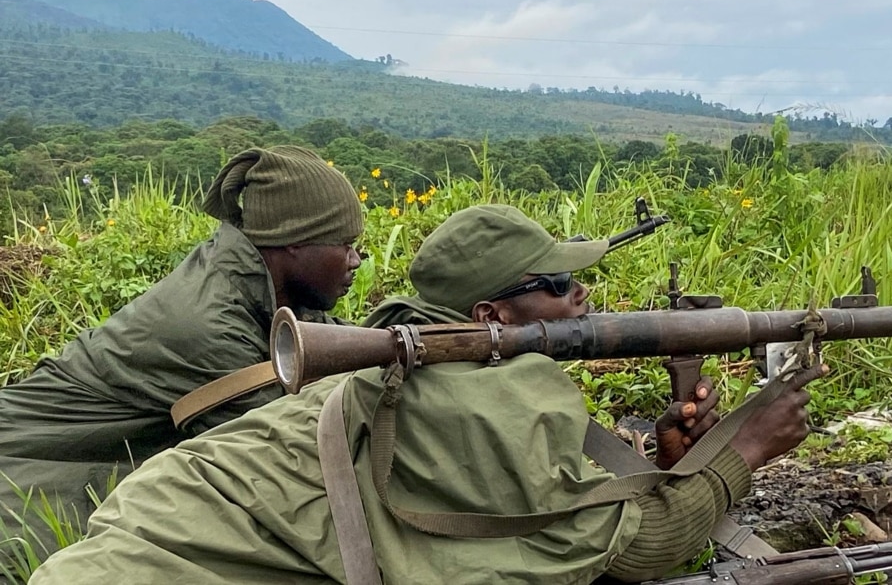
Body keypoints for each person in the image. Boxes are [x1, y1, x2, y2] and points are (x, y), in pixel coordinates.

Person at [28, 204, 821, 584]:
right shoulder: (472, 402)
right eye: (558, 284)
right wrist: (749, 443)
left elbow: (523, 487)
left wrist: (663, 462)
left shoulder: (395, 360)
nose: (583, 297)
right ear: (489, 317)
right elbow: (642, 549)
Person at [0, 145, 365, 563]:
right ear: (294, 242)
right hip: (26, 467)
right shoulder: (209, 323)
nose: (356, 260)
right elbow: (296, 449)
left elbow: (349, 348)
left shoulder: (267, 286)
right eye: (346, 244)